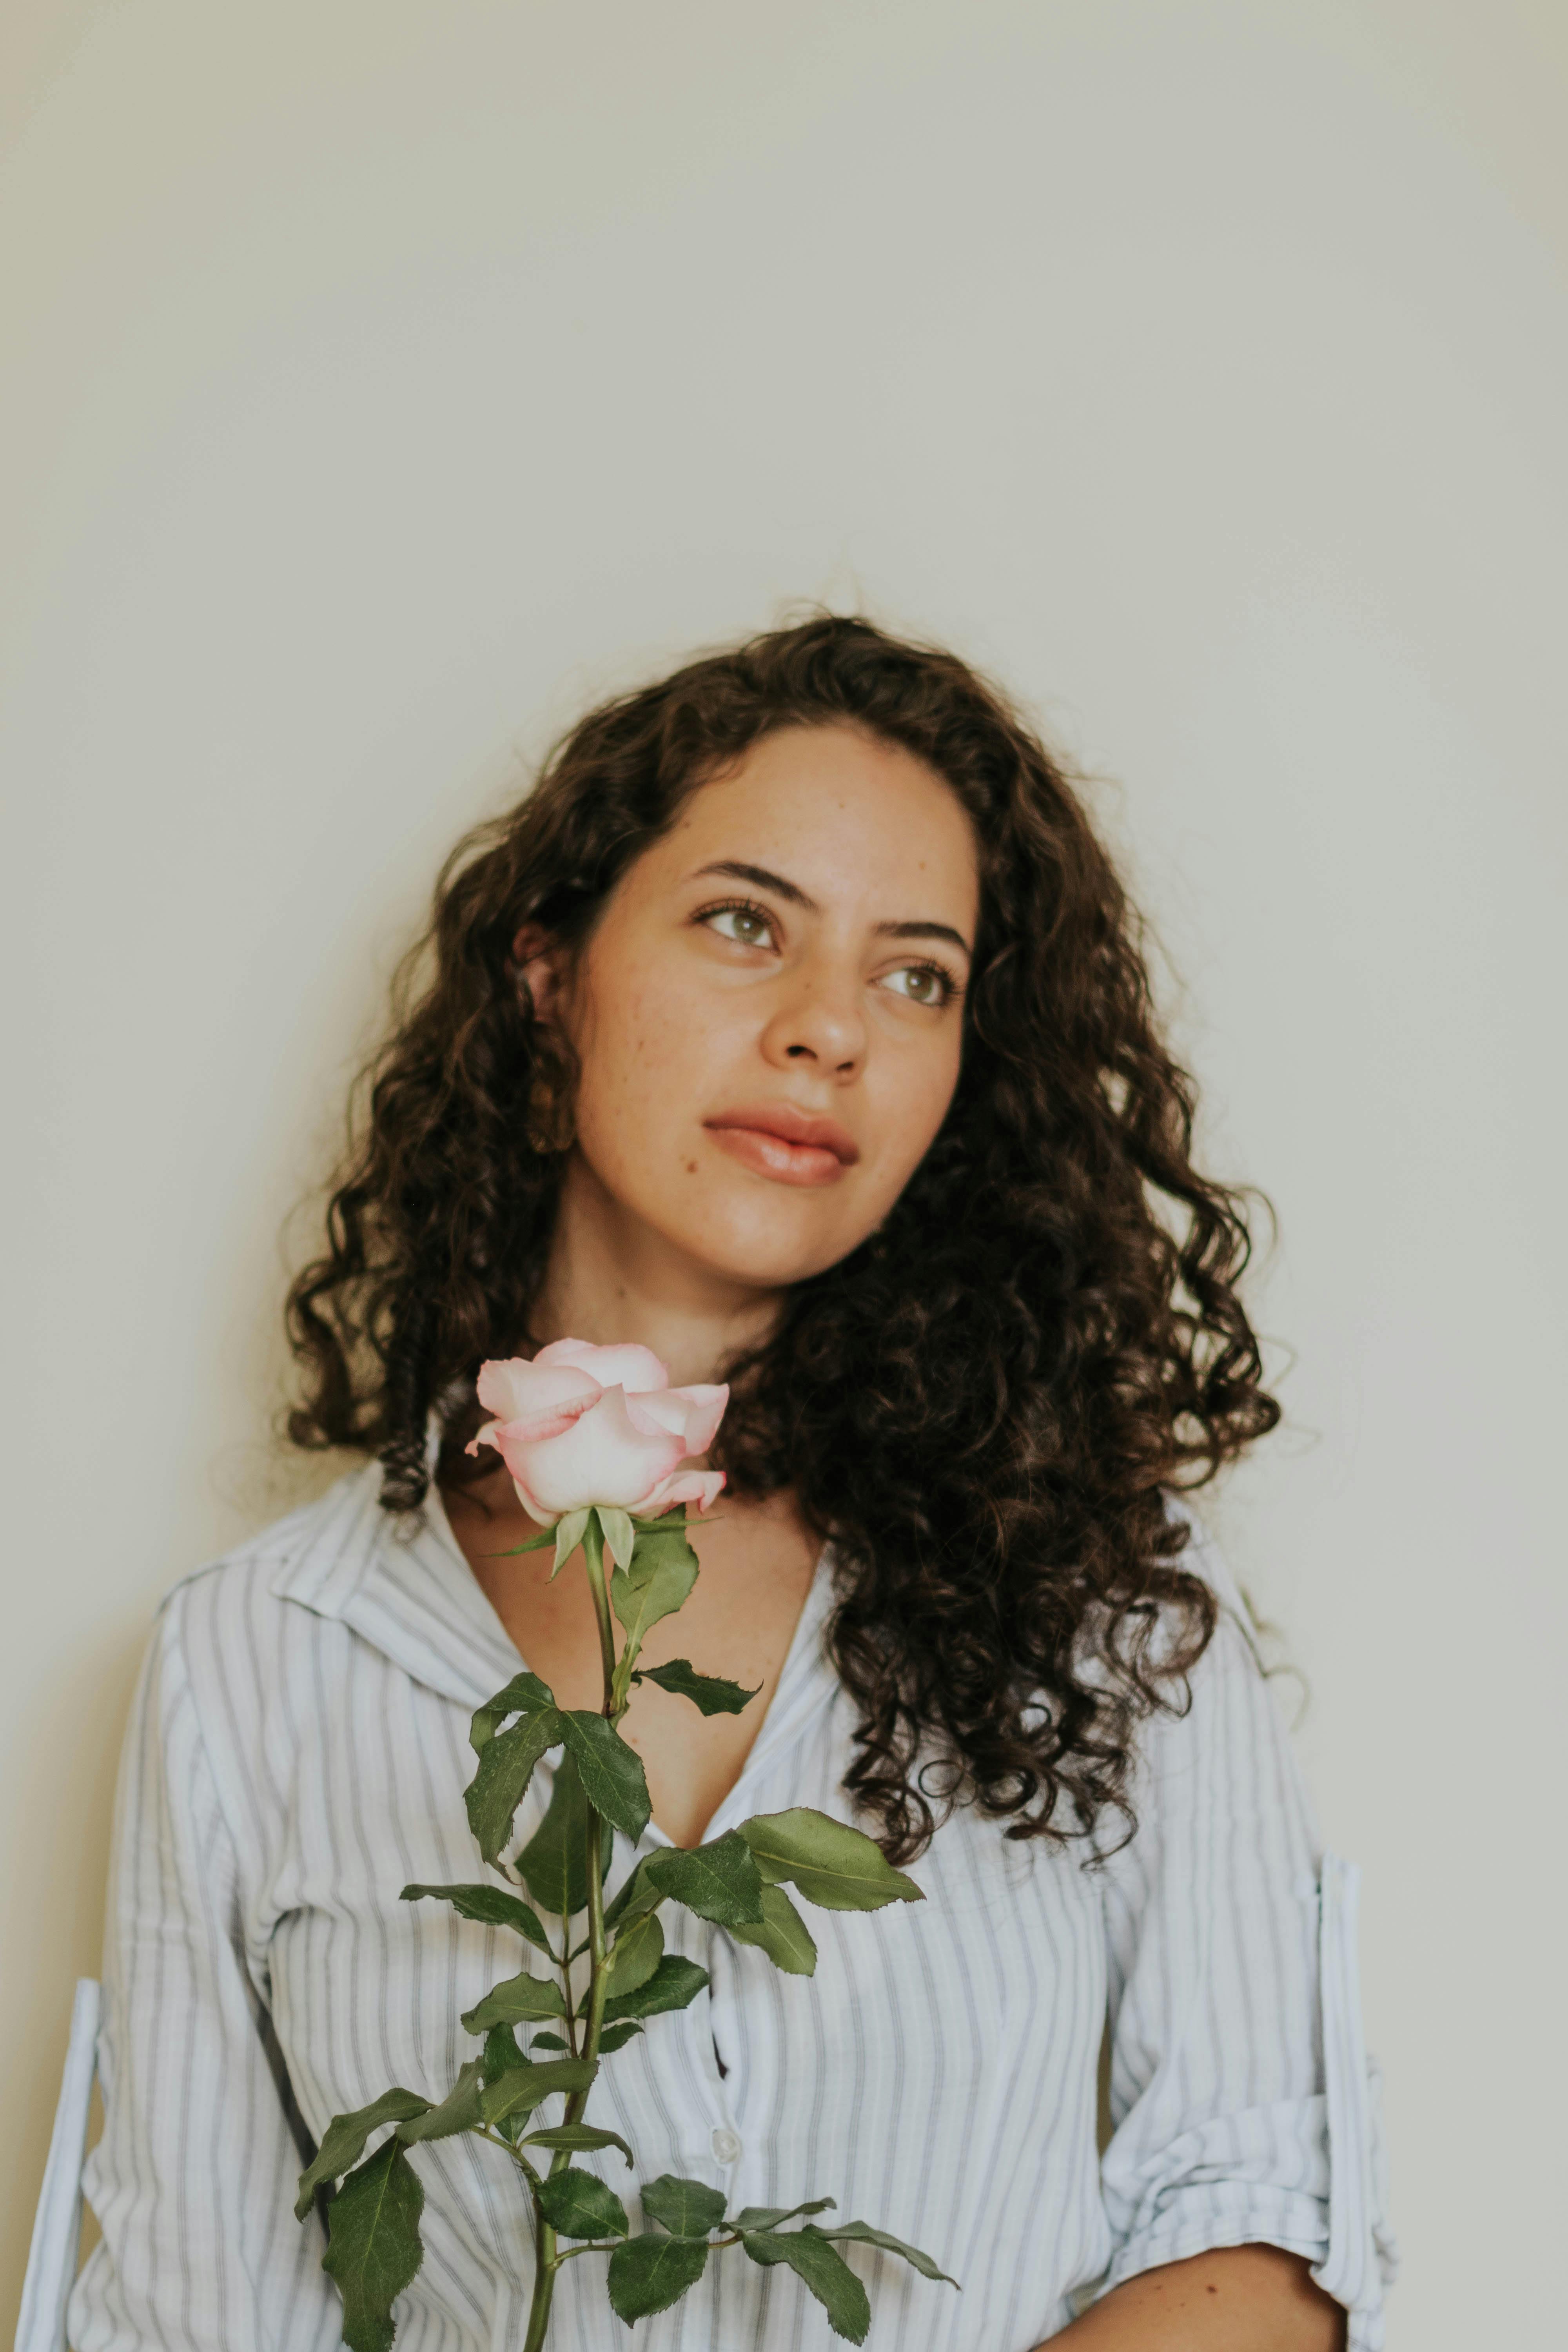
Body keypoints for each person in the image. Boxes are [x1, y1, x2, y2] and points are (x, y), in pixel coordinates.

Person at [70, 617, 1395, 2350]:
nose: (827, 1028)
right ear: (551, 975)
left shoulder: (1103, 1600)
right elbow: (191, 2322)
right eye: (743, 924)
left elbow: (1260, 2233)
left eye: (915, 975)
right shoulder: (250, 1665)